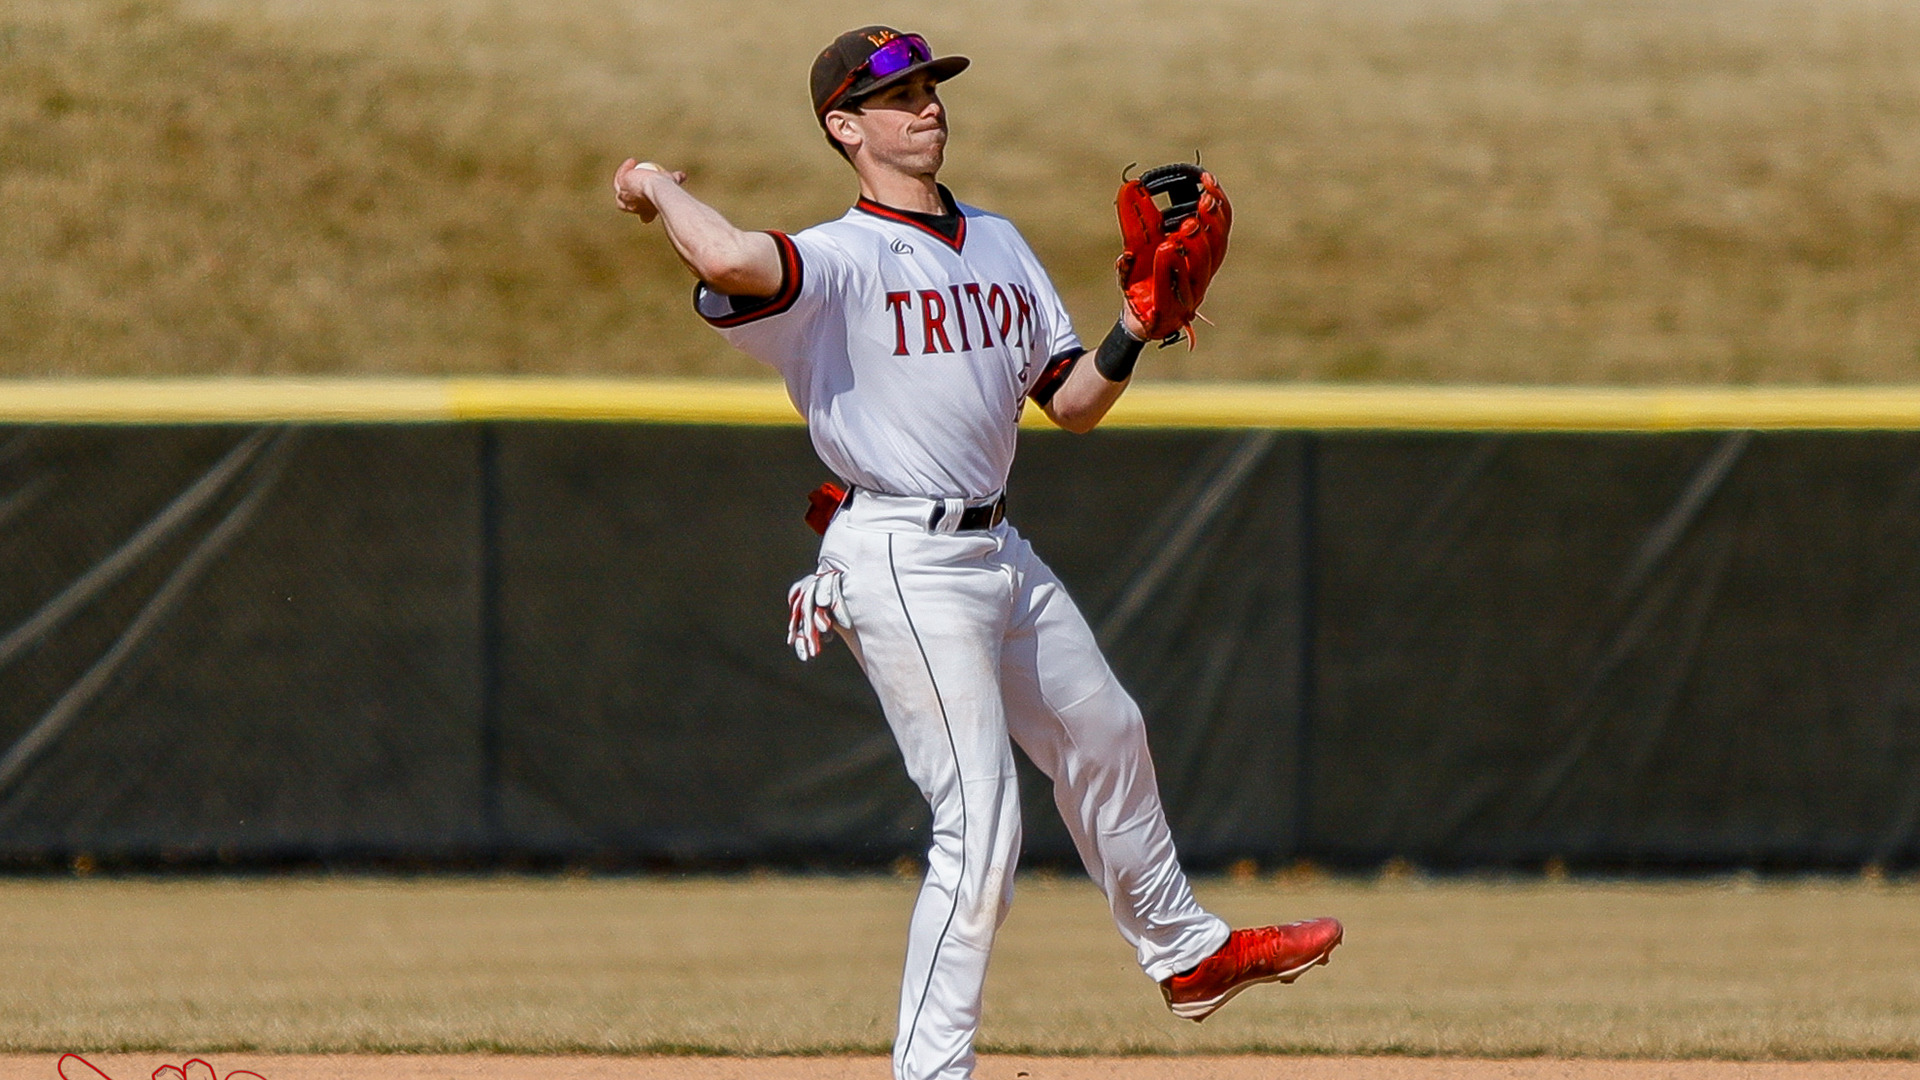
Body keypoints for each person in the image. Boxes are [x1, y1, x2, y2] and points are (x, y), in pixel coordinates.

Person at [613, 26, 1341, 1080]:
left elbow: (1072, 405)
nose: (926, 105)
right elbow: (728, 257)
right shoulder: (835, 257)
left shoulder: (999, 243)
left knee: (1107, 730)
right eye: (896, 93)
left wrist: (1138, 325)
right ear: (844, 127)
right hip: (899, 554)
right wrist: (648, 183)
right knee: (980, 826)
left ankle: (1185, 956)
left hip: (997, 547)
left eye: (929, 86)